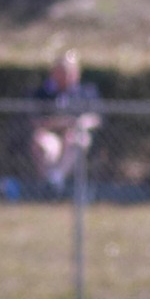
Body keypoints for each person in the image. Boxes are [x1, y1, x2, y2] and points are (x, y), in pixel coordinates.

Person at [30, 50, 100, 195]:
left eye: (69, 72)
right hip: (52, 135)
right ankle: (49, 186)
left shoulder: (86, 92)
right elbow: (36, 121)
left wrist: (81, 123)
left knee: (75, 140)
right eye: (61, 71)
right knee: (44, 145)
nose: (65, 75)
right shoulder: (42, 93)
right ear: (53, 73)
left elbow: (97, 118)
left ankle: (55, 181)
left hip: (75, 135)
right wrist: (61, 123)